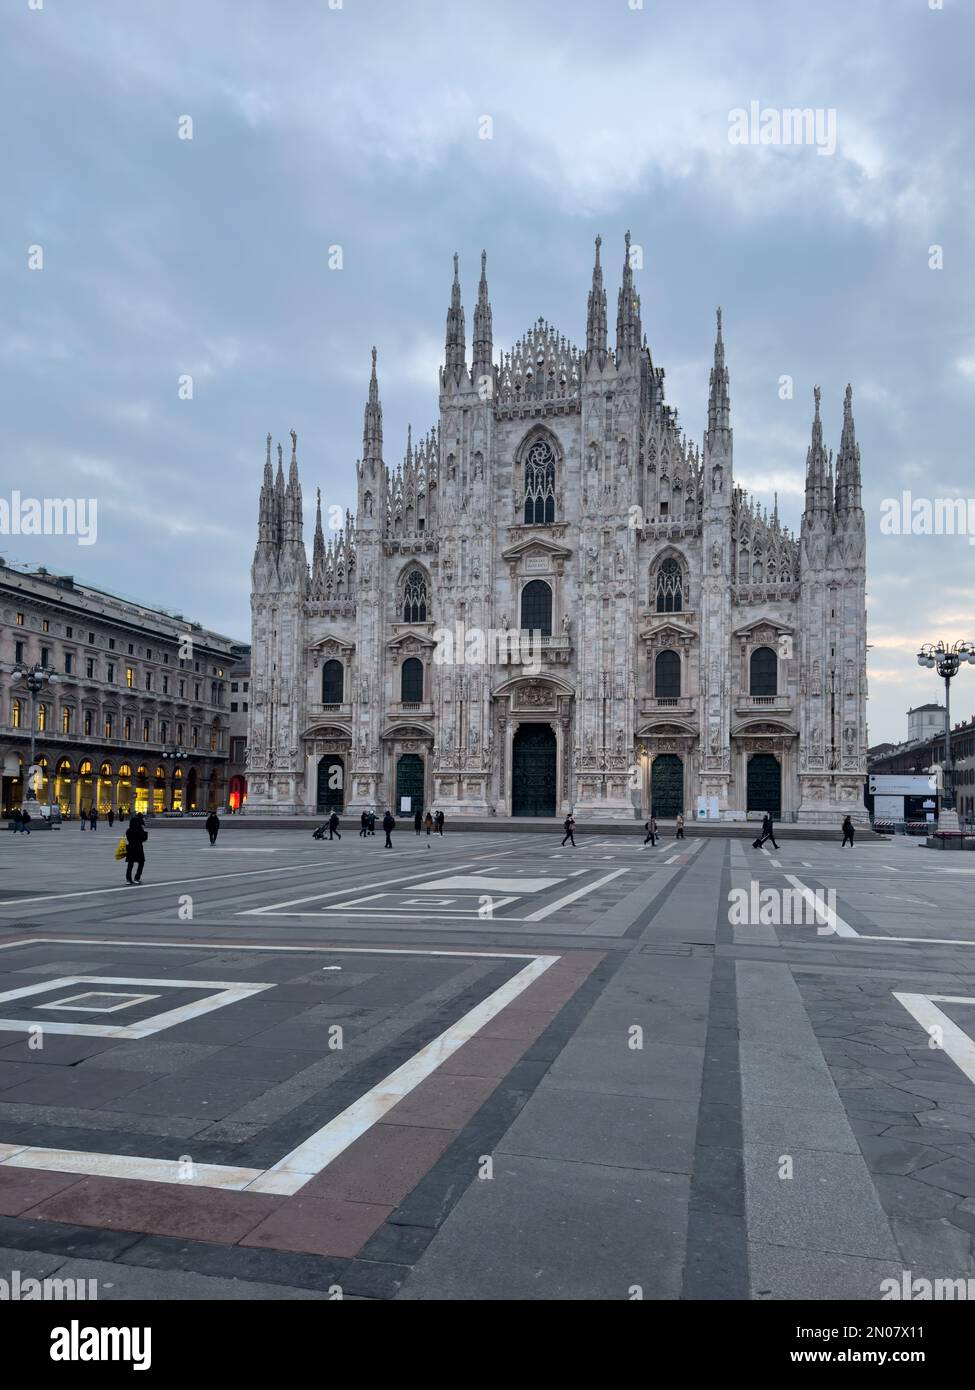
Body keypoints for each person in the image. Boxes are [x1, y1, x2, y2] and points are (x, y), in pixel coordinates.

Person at [125, 813, 148, 883]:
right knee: (141, 863)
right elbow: (144, 839)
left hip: (130, 848)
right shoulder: (139, 830)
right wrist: (144, 831)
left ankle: (128, 879)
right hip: (138, 848)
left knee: (130, 864)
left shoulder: (128, 830)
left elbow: (128, 838)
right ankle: (137, 878)